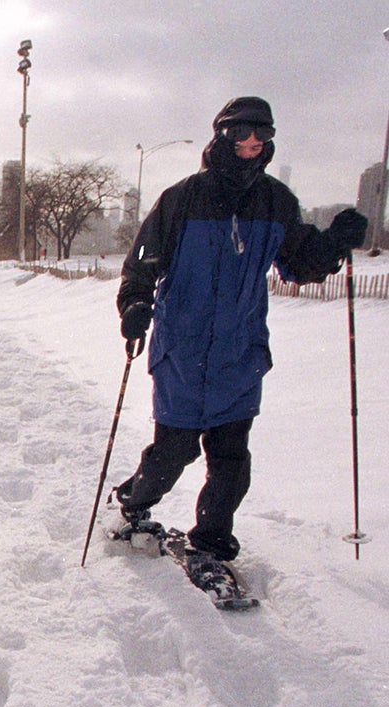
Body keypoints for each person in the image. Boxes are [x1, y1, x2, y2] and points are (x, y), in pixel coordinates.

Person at [111, 96, 367, 567]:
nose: (251, 143)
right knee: (175, 450)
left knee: (231, 458)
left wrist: (334, 242)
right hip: (183, 350)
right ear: (222, 136)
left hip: (240, 351)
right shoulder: (182, 198)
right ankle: (131, 502)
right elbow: (143, 262)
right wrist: (135, 303)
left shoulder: (276, 201)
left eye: (261, 135)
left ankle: (211, 543)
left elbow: (298, 265)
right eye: (240, 133)